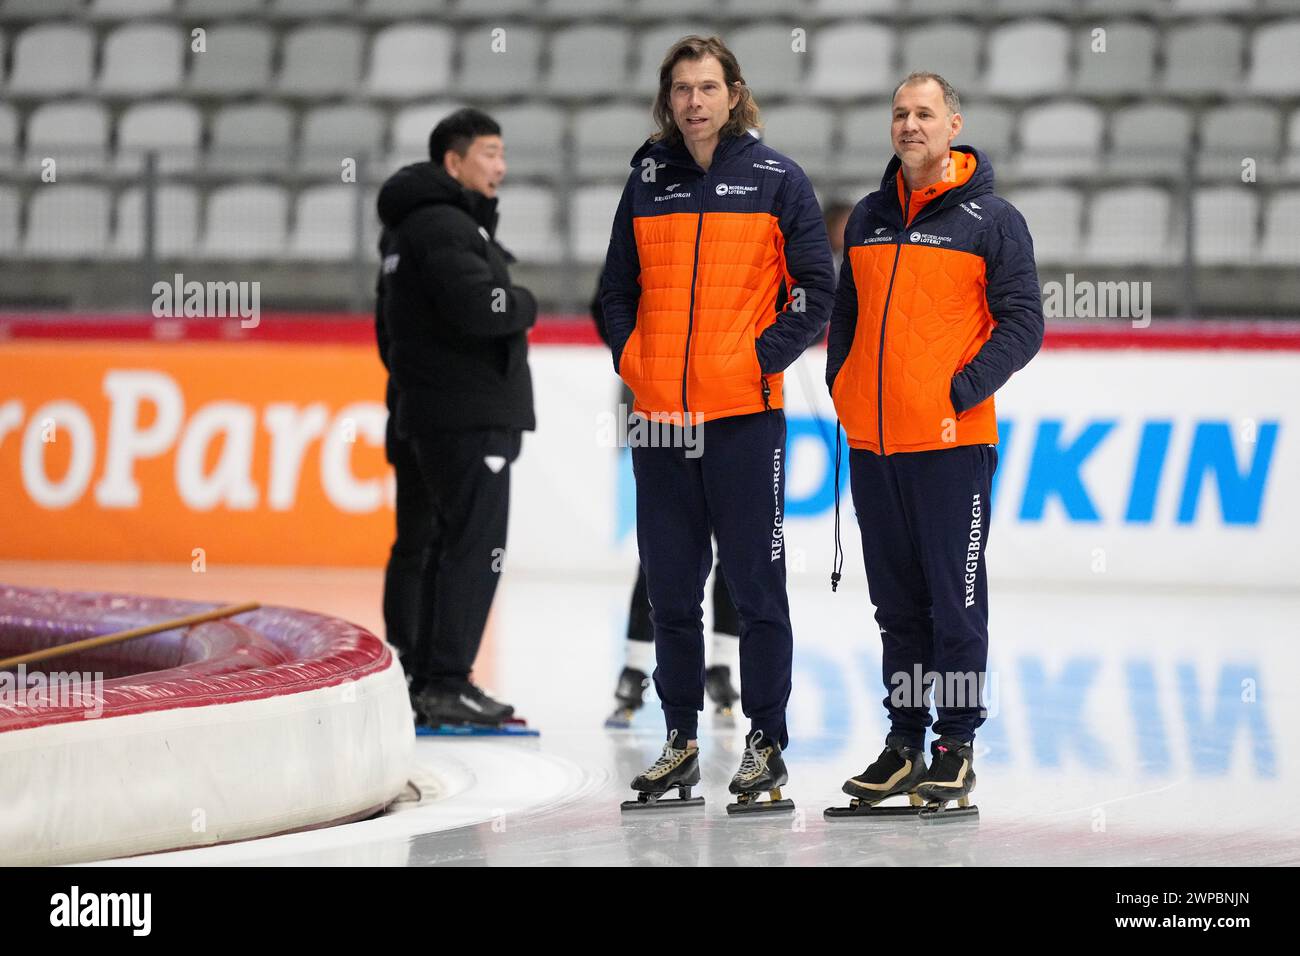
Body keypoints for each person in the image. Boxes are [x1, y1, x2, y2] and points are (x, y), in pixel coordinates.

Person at [601, 36, 834, 811]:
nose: (694, 102)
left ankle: (766, 742)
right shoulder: (646, 181)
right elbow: (616, 291)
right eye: (681, 88)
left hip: (743, 419)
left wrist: (757, 360)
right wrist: (635, 361)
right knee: (671, 589)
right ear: (666, 99)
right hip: (661, 419)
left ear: (734, 94)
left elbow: (816, 290)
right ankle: (679, 741)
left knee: (755, 583)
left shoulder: (777, 180)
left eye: (707, 87)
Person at [825, 73, 1044, 816]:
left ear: (954, 124)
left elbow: (1024, 323)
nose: (910, 124)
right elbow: (847, 316)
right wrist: (846, 388)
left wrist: (957, 391)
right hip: (875, 446)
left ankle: (954, 748)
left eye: (924, 113)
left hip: (952, 447)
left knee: (956, 602)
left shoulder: (993, 220)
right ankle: (904, 744)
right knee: (897, 607)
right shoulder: (867, 216)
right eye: (900, 113)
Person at [376, 107, 537, 728]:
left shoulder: (408, 229)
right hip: (467, 416)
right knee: (473, 545)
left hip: (425, 410)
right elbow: (481, 307)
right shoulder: (445, 225)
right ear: (454, 161)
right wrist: (525, 302)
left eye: (502, 153)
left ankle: (423, 675)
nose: (501, 166)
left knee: (431, 543)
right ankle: (446, 682)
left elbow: (387, 332)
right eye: (490, 153)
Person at [589, 276, 742, 728]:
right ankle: (636, 666)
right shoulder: (642, 233)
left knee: (733, 545)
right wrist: (640, 360)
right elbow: (607, 300)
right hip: (660, 405)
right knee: (665, 546)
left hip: (725, 404)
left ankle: (719, 663)